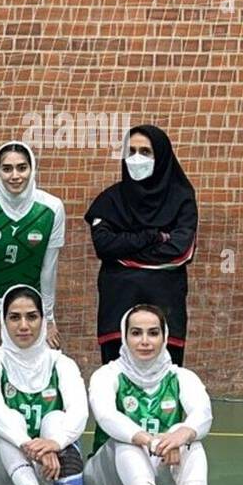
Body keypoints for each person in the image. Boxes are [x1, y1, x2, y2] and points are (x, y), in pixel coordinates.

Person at [84, 304, 216, 485]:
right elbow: (107, 416)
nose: (145, 341)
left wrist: (179, 436)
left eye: (153, 333)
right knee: (127, 439)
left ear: (165, 337)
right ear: (124, 336)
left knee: (190, 435)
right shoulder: (107, 374)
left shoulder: (182, 377)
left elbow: (203, 414)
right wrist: (152, 441)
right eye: (136, 333)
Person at [0, 286, 92, 485]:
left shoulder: (62, 363)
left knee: (57, 418)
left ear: (43, 320)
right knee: (9, 422)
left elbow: (80, 413)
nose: (24, 325)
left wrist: (54, 443)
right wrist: (31, 445)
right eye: (14, 317)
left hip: (46, 471)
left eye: (32, 316)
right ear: (3, 322)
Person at [85, 125, 197, 366]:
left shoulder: (182, 199)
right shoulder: (109, 200)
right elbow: (103, 246)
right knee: (116, 379)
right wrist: (153, 237)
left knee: (165, 380)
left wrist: (123, 249)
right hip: (117, 304)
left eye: (145, 152)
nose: (137, 158)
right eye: (131, 151)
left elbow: (181, 251)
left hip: (167, 304)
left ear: (162, 155)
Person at [0, 142, 65, 363]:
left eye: (22, 167)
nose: (15, 175)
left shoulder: (52, 208)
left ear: (32, 169)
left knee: (51, 357)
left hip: (28, 301)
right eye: (7, 169)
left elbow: (49, 270)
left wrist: (49, 317)